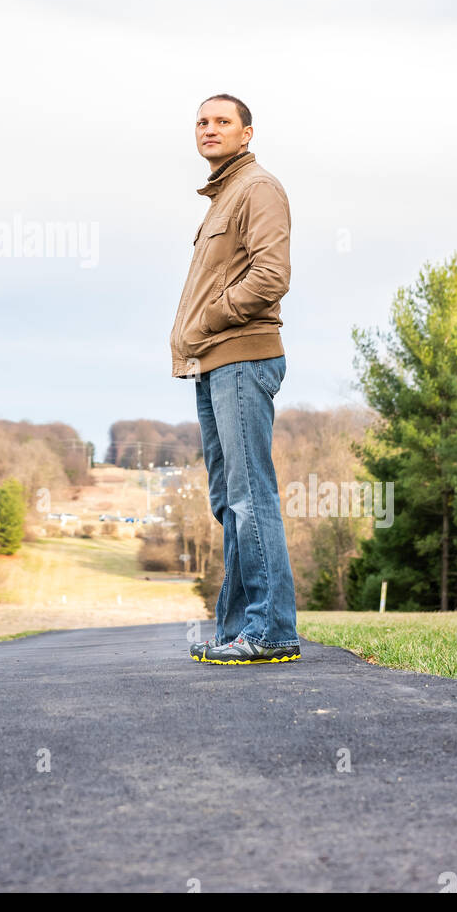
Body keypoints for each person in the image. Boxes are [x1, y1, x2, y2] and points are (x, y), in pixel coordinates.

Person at [169, 93, 301, 665]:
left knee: (251, 497)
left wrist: (208, 317)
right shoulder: (222, 196)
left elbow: (271, 276)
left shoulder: (258, 189)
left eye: (223, 121)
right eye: (202, 121)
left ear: (247, 133)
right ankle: (237, 631)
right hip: (212, 363)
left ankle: (271, 631)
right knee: (229, 500)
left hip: (242, 358)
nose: (209, 129)